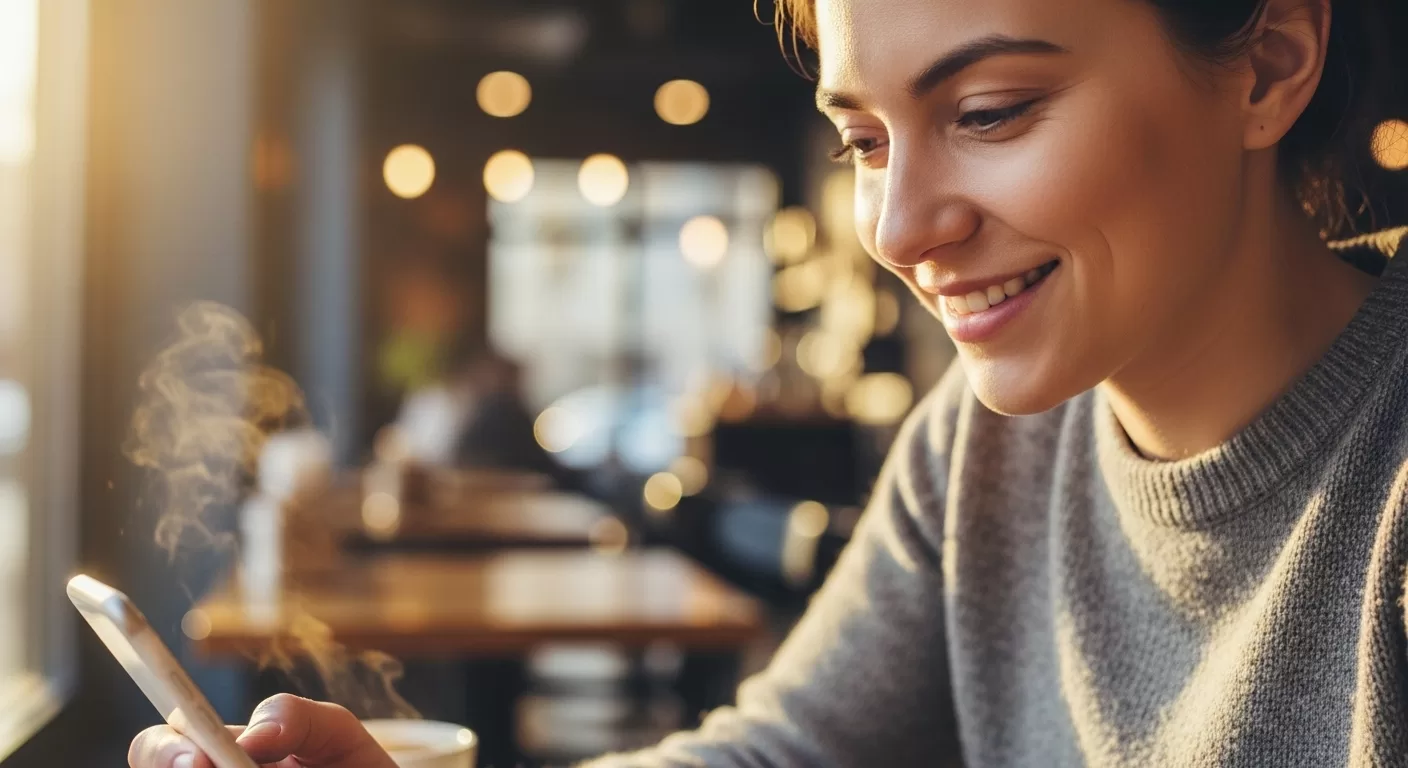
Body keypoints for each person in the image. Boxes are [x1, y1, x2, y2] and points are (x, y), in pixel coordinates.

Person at [132, 0, 1408, 765]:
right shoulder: (978, 446)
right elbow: (785, 750)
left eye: (991, 110)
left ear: (1268, 65)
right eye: (864, 139)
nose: (899, 226)